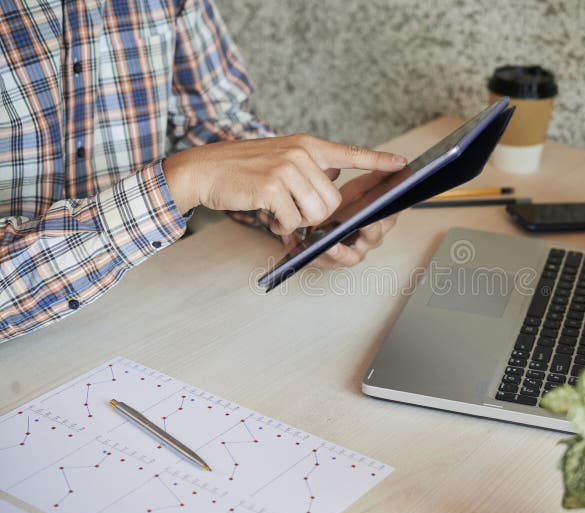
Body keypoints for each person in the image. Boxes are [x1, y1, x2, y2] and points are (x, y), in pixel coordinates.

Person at [0, 0, 406, 343]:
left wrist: (297, 203)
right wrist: (182, 182)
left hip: (152, 310)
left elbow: (209, 121)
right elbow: (198, 170)